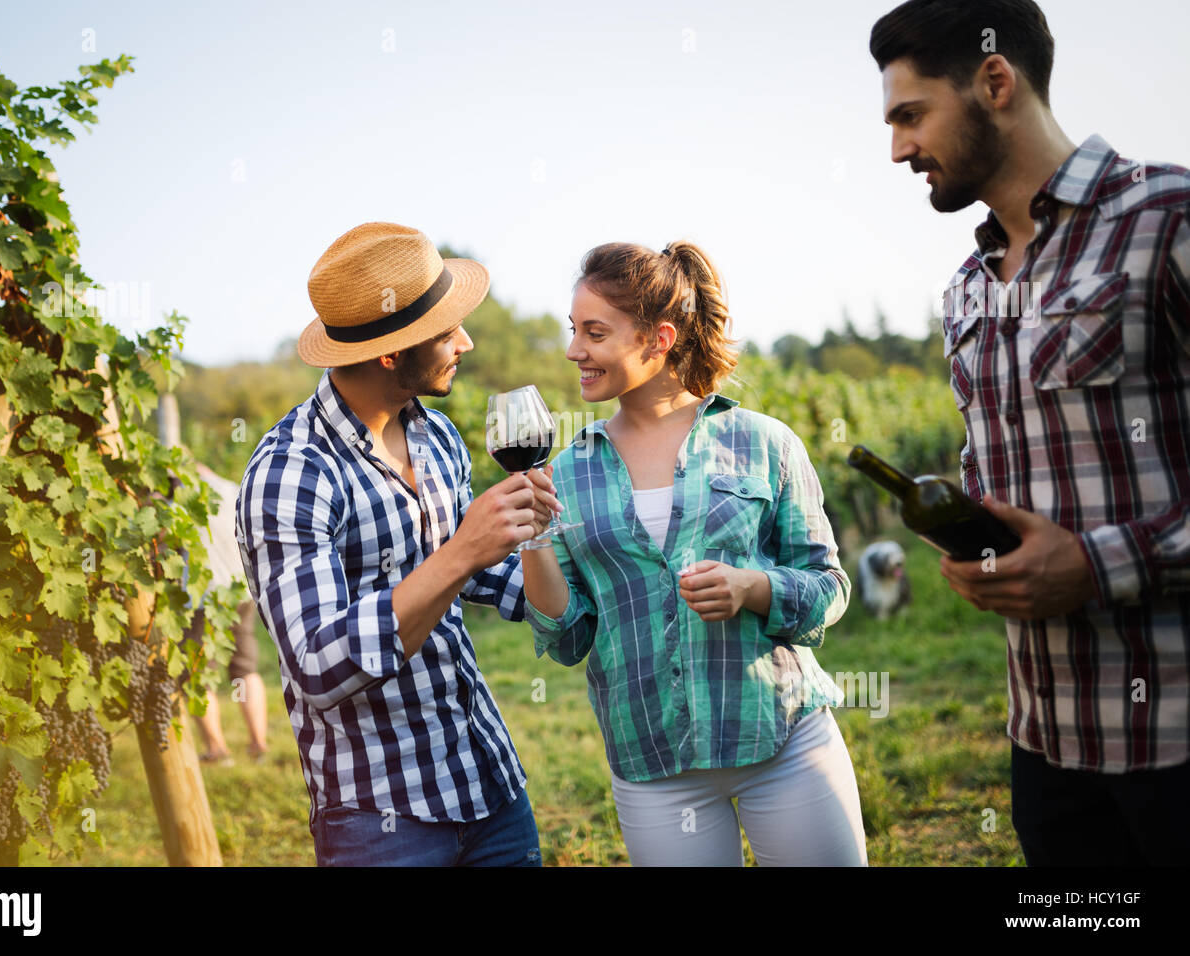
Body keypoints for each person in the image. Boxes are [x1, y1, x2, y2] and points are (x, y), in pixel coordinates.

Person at [871, 0, 1190, 865]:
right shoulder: (967, 290)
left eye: (910, 114)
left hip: (1175, 740)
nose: (897, 148)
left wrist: (1097, 565)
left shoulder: (1165, 220)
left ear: (995, 81)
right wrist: (979, 549)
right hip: (1043, 742)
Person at [519, 240, 868, 866]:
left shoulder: (764, 443)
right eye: (573, 330)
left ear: (659, 337)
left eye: (595, 333)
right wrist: (533, 539)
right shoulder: (568, 472)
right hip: (654, 762)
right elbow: (568, 637)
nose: (575, 350)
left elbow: (829, 586)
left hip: (782, 739)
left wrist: (752, 588)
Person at [236, 222, 556, 867]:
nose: (465, 341)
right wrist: (462, 551)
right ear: (391, 353)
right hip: (381, 816)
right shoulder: (291, 472)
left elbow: (474, 575)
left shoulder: (436, 435)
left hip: (487, 780)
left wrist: (587, 572)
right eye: (447, 331)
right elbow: (319, 668)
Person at [183, 461, 269, 764]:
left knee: (197, 676)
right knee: (244, 668)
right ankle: (258, 744)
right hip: (239, 593)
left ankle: (217, 750)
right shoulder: (234, 491)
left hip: (201, 597)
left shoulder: (178, 498)